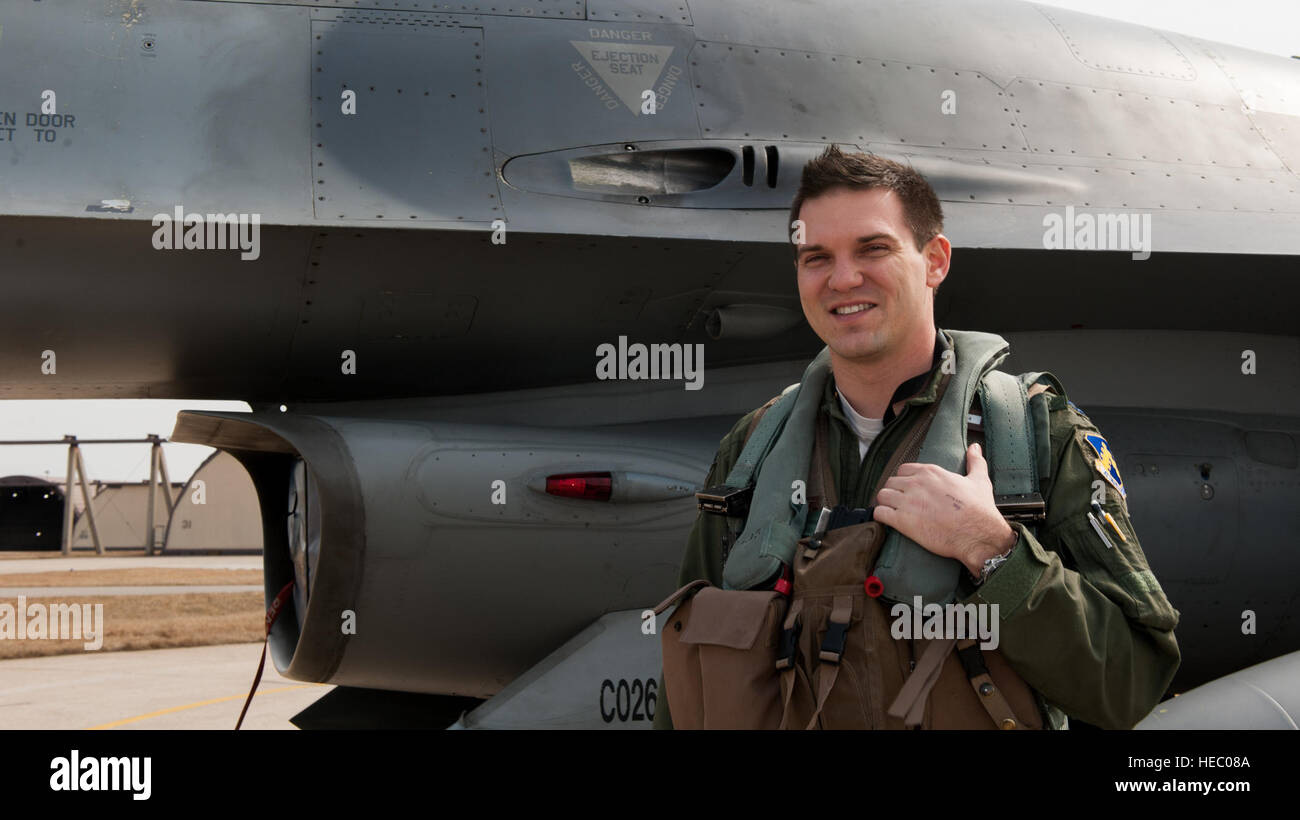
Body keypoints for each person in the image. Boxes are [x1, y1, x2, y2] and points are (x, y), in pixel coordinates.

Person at [651, 146, 1179, 730]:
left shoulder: (1035, 437)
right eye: (815, 257)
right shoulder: (752, 452)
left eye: (873, 249)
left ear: (935, 261)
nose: (843, 278)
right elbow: (686, 690)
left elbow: (1131, 683)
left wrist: (994, 550)